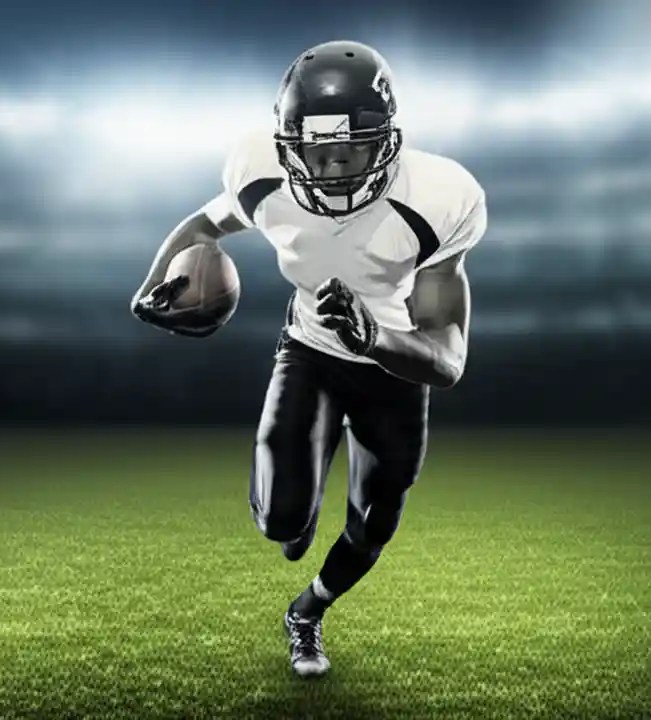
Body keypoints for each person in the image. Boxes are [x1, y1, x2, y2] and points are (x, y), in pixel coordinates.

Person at [131, 39, 487, 677]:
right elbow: (203, 228)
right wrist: (152, 286)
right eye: (316, 155)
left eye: (349, 151)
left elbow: (448, 360)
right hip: (312, 350)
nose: (331, 172)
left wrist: (374, 338)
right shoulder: (261, 174)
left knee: (372, 529)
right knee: (281, 521)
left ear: (388, 142)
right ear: (286, 147)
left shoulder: (438, 198)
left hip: (395, 370)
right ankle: (296, 509)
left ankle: (307, 612)